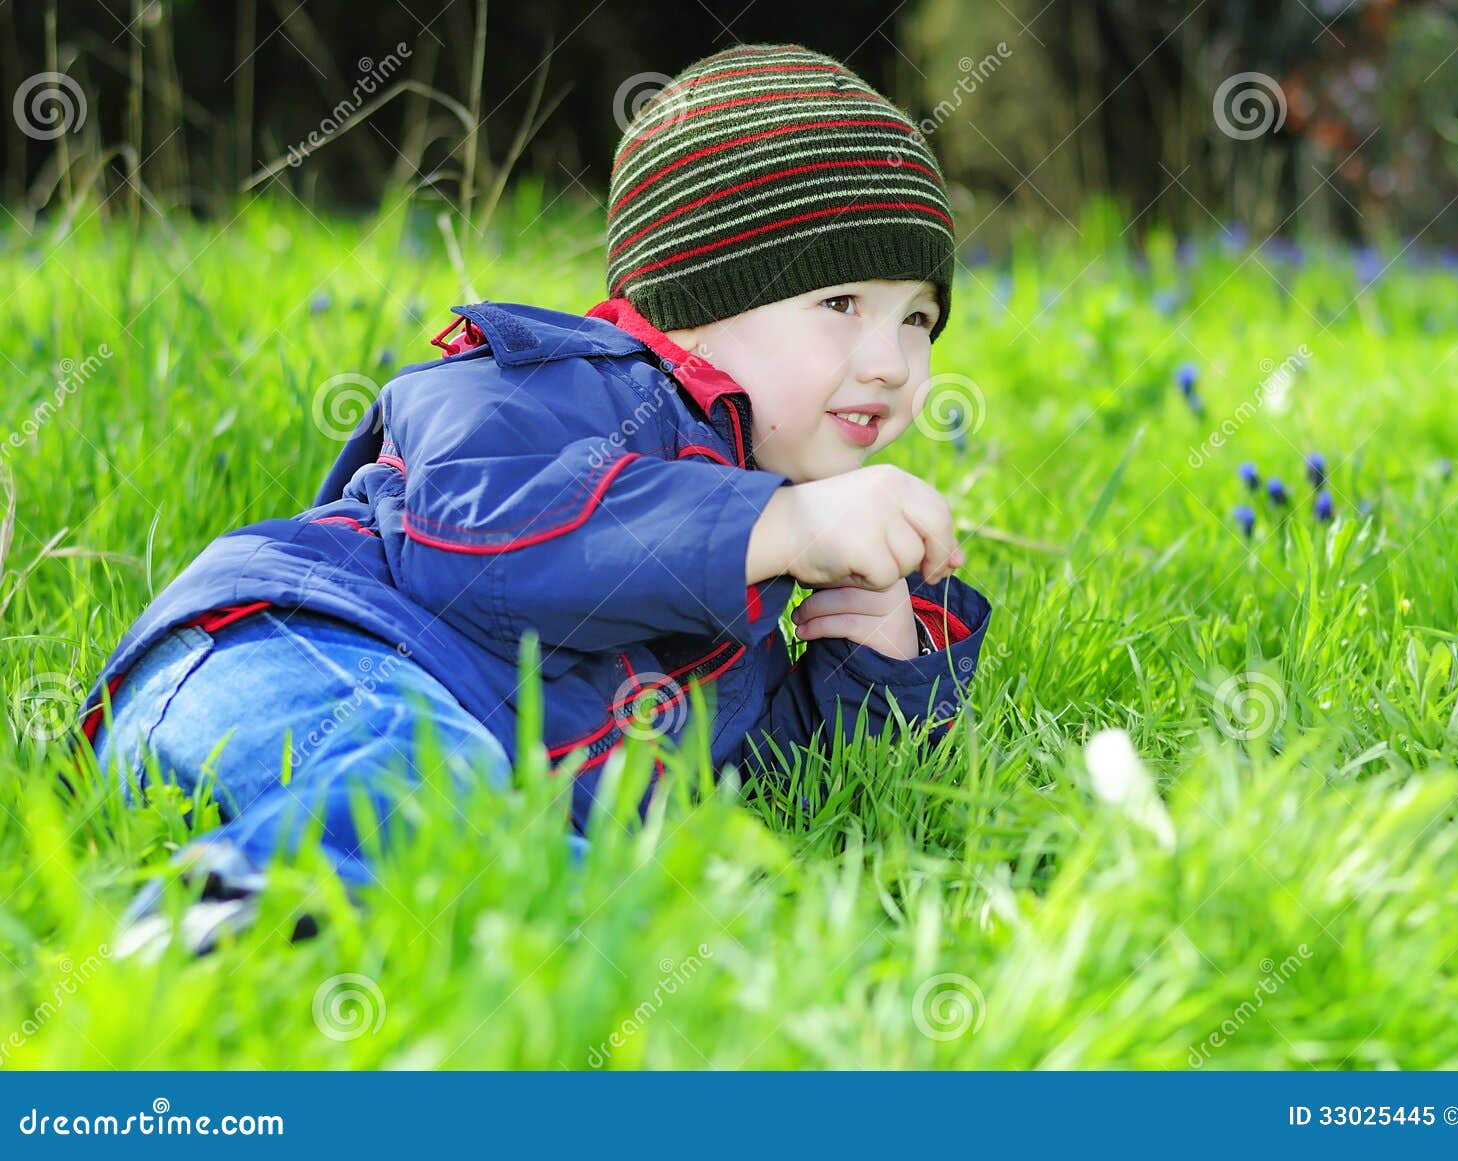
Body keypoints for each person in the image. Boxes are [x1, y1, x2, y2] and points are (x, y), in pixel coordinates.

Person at [75, 42, 992, 957]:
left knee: (591, 889)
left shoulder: (759, 560)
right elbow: (485, 539)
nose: (891, 361)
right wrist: (775, 525)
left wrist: (872, 656)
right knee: (417, 767)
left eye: (917, 317)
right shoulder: (565, 381)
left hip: (449, 761)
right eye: (840, 303)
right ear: (691, 302)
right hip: (290, 654)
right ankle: (232, 943)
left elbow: (775, 790)